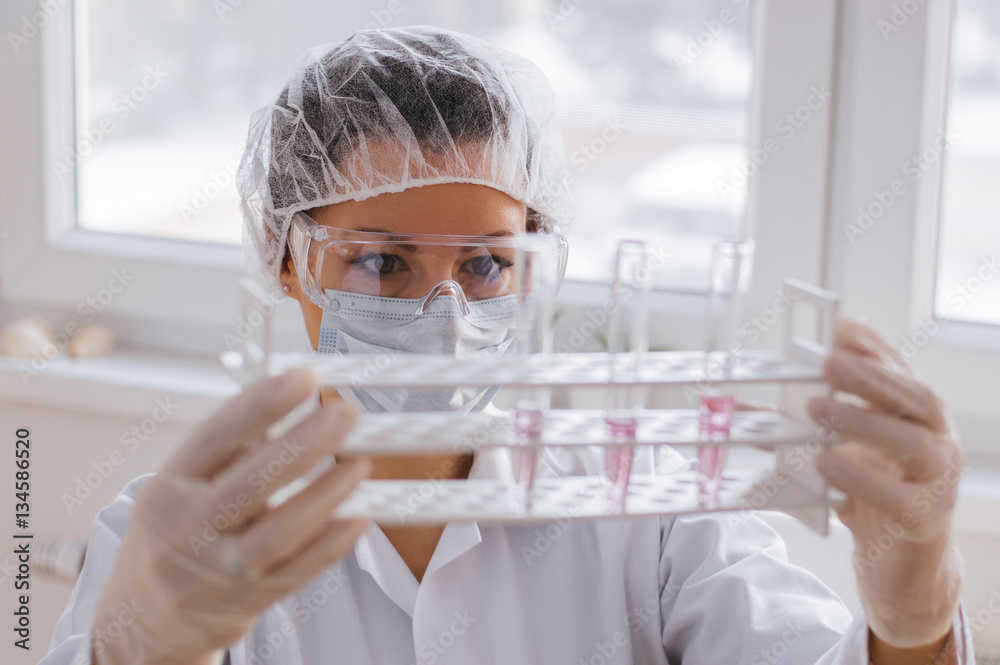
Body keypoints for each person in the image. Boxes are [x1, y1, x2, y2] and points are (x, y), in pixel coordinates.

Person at [41, 26, 971, 665]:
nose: (445, 314)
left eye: (486, 265)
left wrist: (913, 616)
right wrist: (140, 646)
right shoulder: (182, 537)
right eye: (382, 264)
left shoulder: (648, 506)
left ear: (540, 259)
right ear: (286, 261)